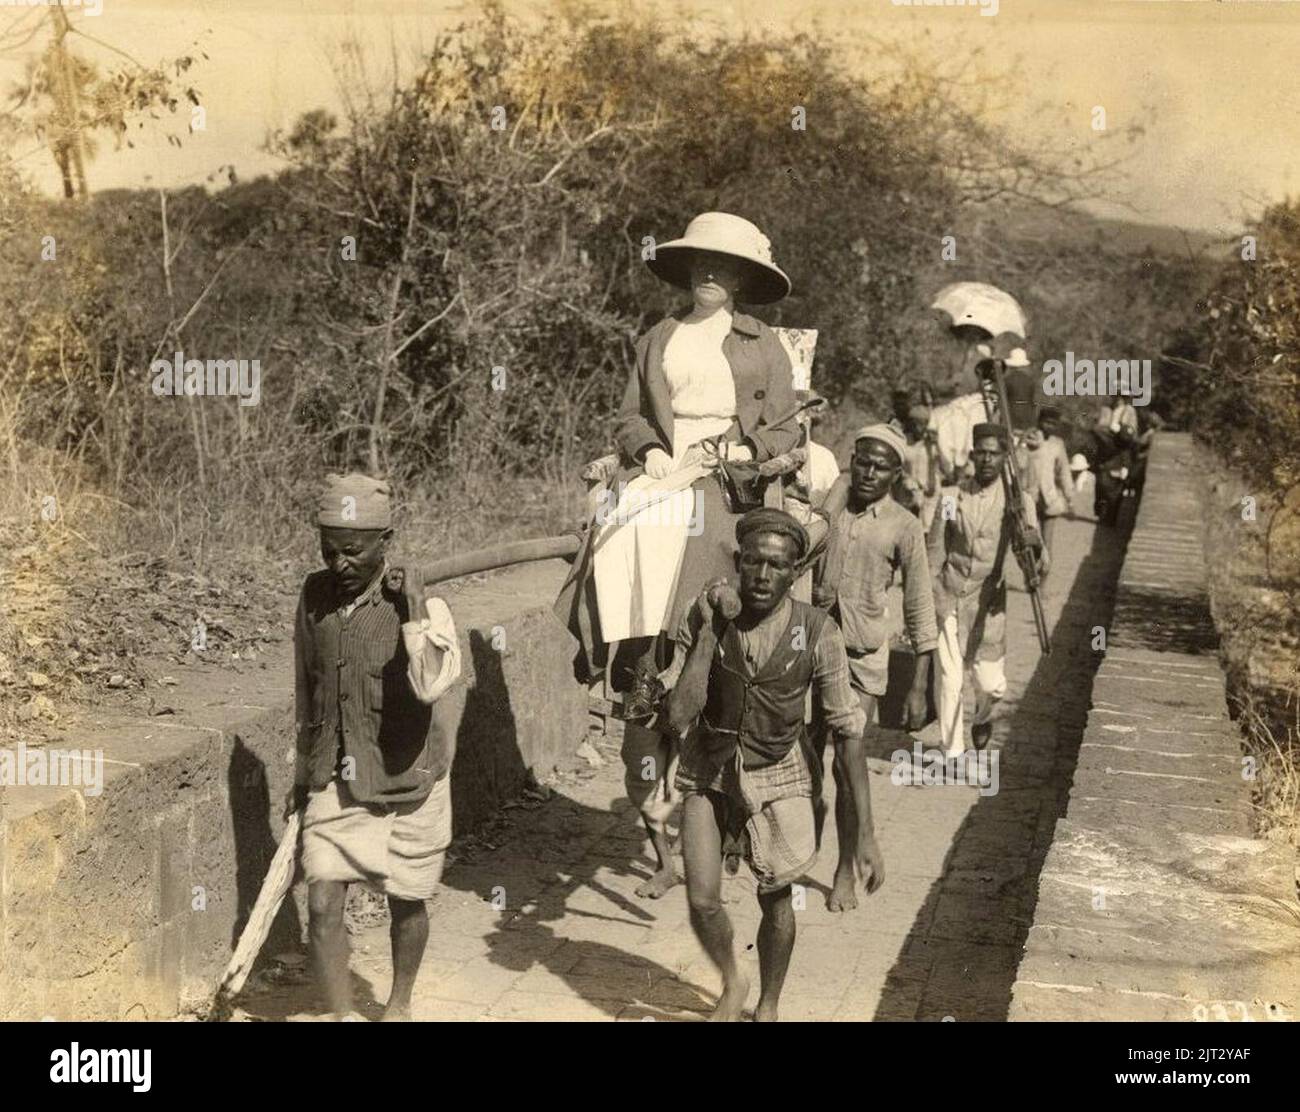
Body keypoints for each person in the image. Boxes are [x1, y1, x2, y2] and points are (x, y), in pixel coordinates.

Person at [554, 211, 801, 900]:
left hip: (728, 471)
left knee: (709, 541)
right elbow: (631, 414)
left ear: (744, 278)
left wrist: (737, 452)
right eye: (699, 264)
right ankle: (635, 662)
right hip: (667, 461)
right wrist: (654, 452)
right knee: (618, 526)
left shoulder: (763, 345)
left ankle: (694, 654)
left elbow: (782, 422)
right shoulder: (658, 338)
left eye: (724, 267)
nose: (710, 277)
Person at [658, 508, 884, 1021]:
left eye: (777, 566)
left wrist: (865, 834)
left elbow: (848, 736)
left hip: (779, 771)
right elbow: (678, 714)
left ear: (795, 570)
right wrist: (711, 633)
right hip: (709, 766)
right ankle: (733, 982)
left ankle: (769, 1003)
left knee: (775, 896)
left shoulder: (817, 631)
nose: (762, 576)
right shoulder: (706, 614)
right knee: (701, 898)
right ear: (738, 563)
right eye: (754, 563)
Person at [290, 473, 462, 1021]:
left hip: (407, 778)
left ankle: (400, 1002)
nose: (339, 564)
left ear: (386, 542)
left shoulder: (425, 600)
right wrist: (303, 770)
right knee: (321, 907)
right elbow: (306, 684)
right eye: (329, 550)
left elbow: (433, 684)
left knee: (406, 903)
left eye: (354, 552)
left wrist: (413, 611)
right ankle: (342, 1014)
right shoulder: (313, 594)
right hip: (336, 776)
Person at [812, 424, 937, 911]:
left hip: (863, 657)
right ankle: (810, 830)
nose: (867, 472)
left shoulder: (904, 525)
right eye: (861, 461)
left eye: (879, 466)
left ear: (896, 474)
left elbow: (920, 604)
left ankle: (847, 865)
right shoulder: (828, 508)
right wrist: (834, 497)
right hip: (813, 643)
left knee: (848, 762)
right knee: (803, 760)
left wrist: (920, 684)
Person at [929, 425, 1046, 757]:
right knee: (950, 680)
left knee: (990, 685)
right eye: (980, 451)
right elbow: (936, 549)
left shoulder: (1019, 503)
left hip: (988, 602)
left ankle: (982, 717)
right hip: (949, 595)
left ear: (1005, 457)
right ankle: (952, 751)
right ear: (971, 454)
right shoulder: (952, 497)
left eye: (994, 453)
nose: (986, 459)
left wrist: (1031, 543)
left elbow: (1034, 564)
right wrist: (926, 597)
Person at [1020, 405, 1075, 566]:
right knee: (1030, 542)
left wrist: (1069, 497)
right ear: (1039, 421)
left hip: (1049, 499)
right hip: (1029, 498)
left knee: (1047, 544)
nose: (1049, 427)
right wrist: (1025, 445)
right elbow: (1018, 463)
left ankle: (1042, 583)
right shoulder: (1028, 440)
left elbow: (1064, 471)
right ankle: (1031, 579)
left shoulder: (1057, 444)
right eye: (1046, 422)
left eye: (1053, 424)